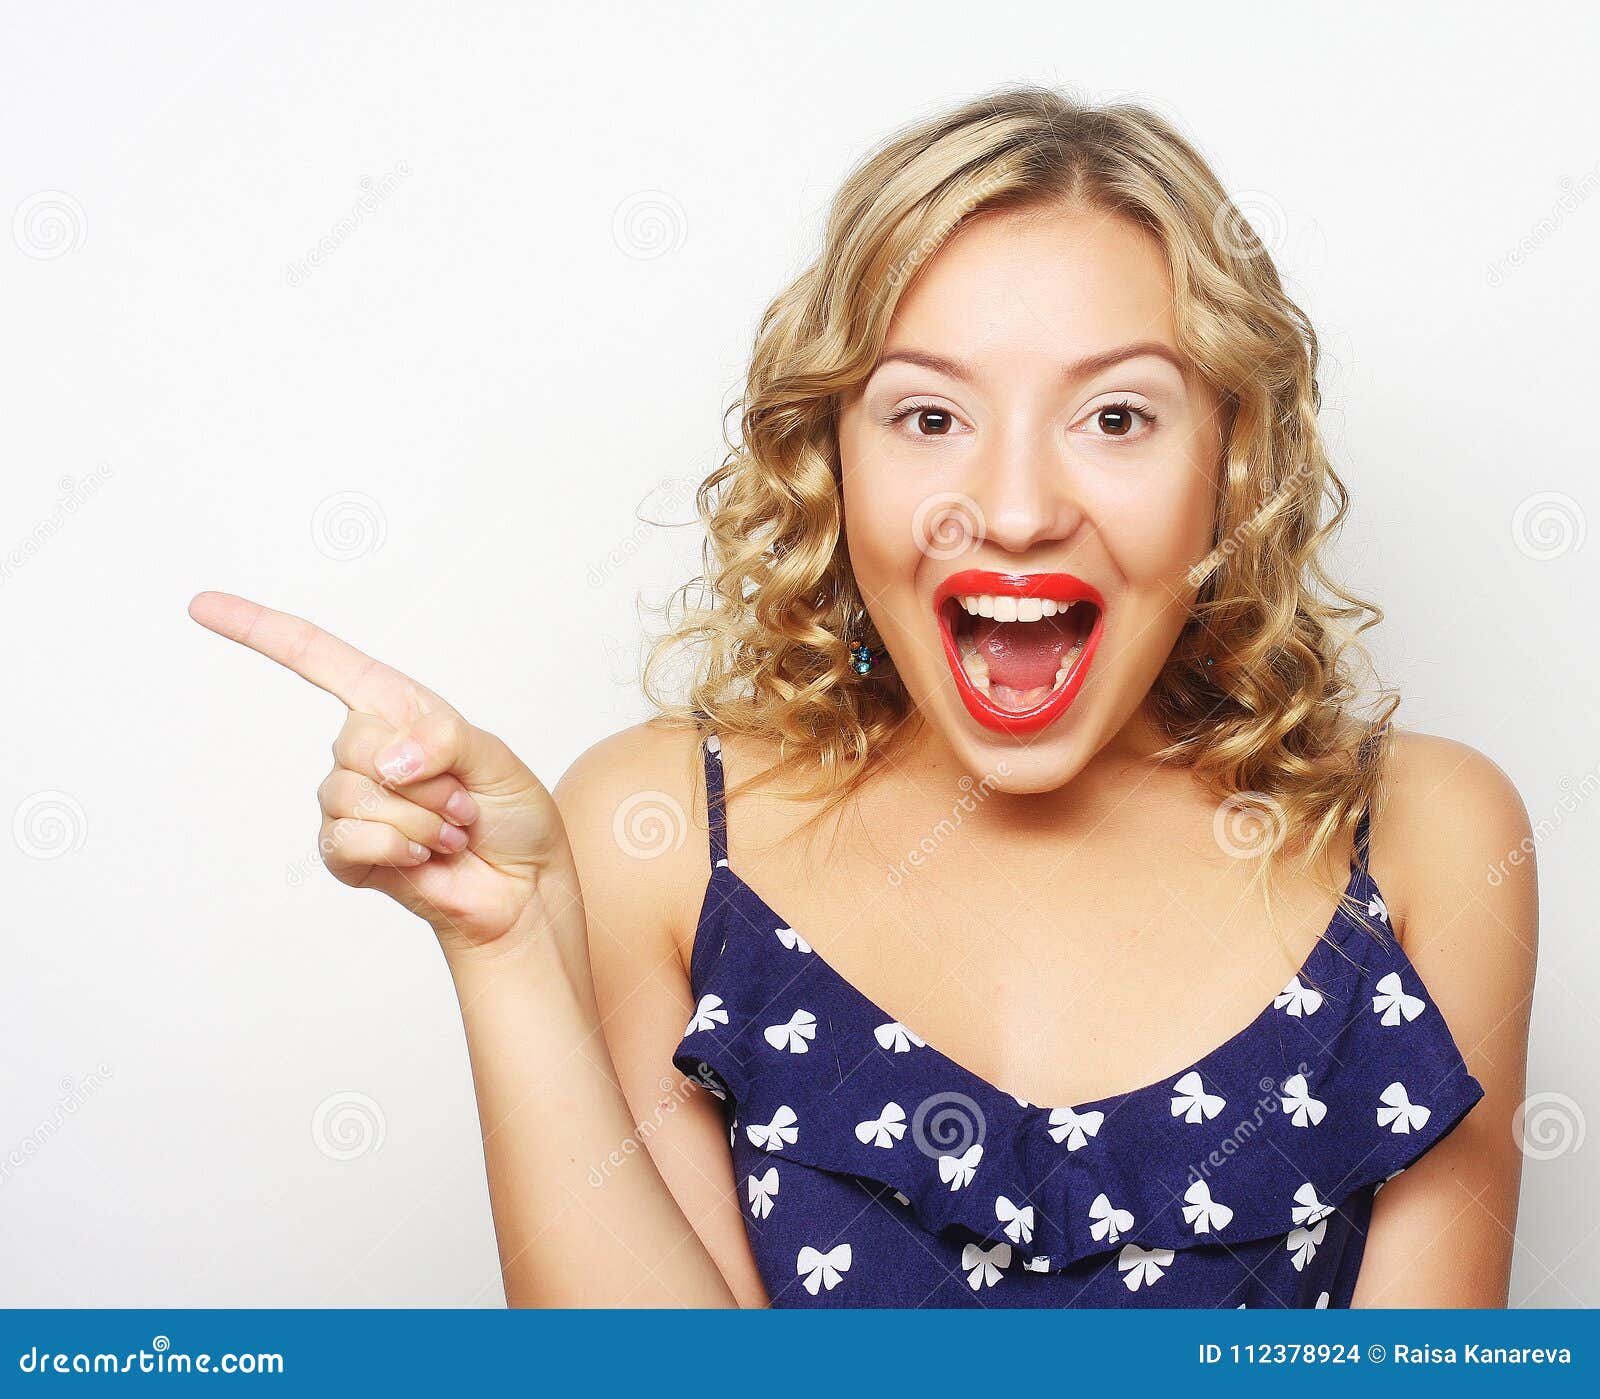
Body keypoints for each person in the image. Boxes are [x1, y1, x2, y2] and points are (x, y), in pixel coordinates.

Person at [189, 86, 1537, 1307]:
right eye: (928, 416)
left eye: (1118, 417)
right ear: (831, 461)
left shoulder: (1422, 838)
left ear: (1233, 469)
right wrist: (508, 952)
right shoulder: (661, 833)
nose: (1011, 511)